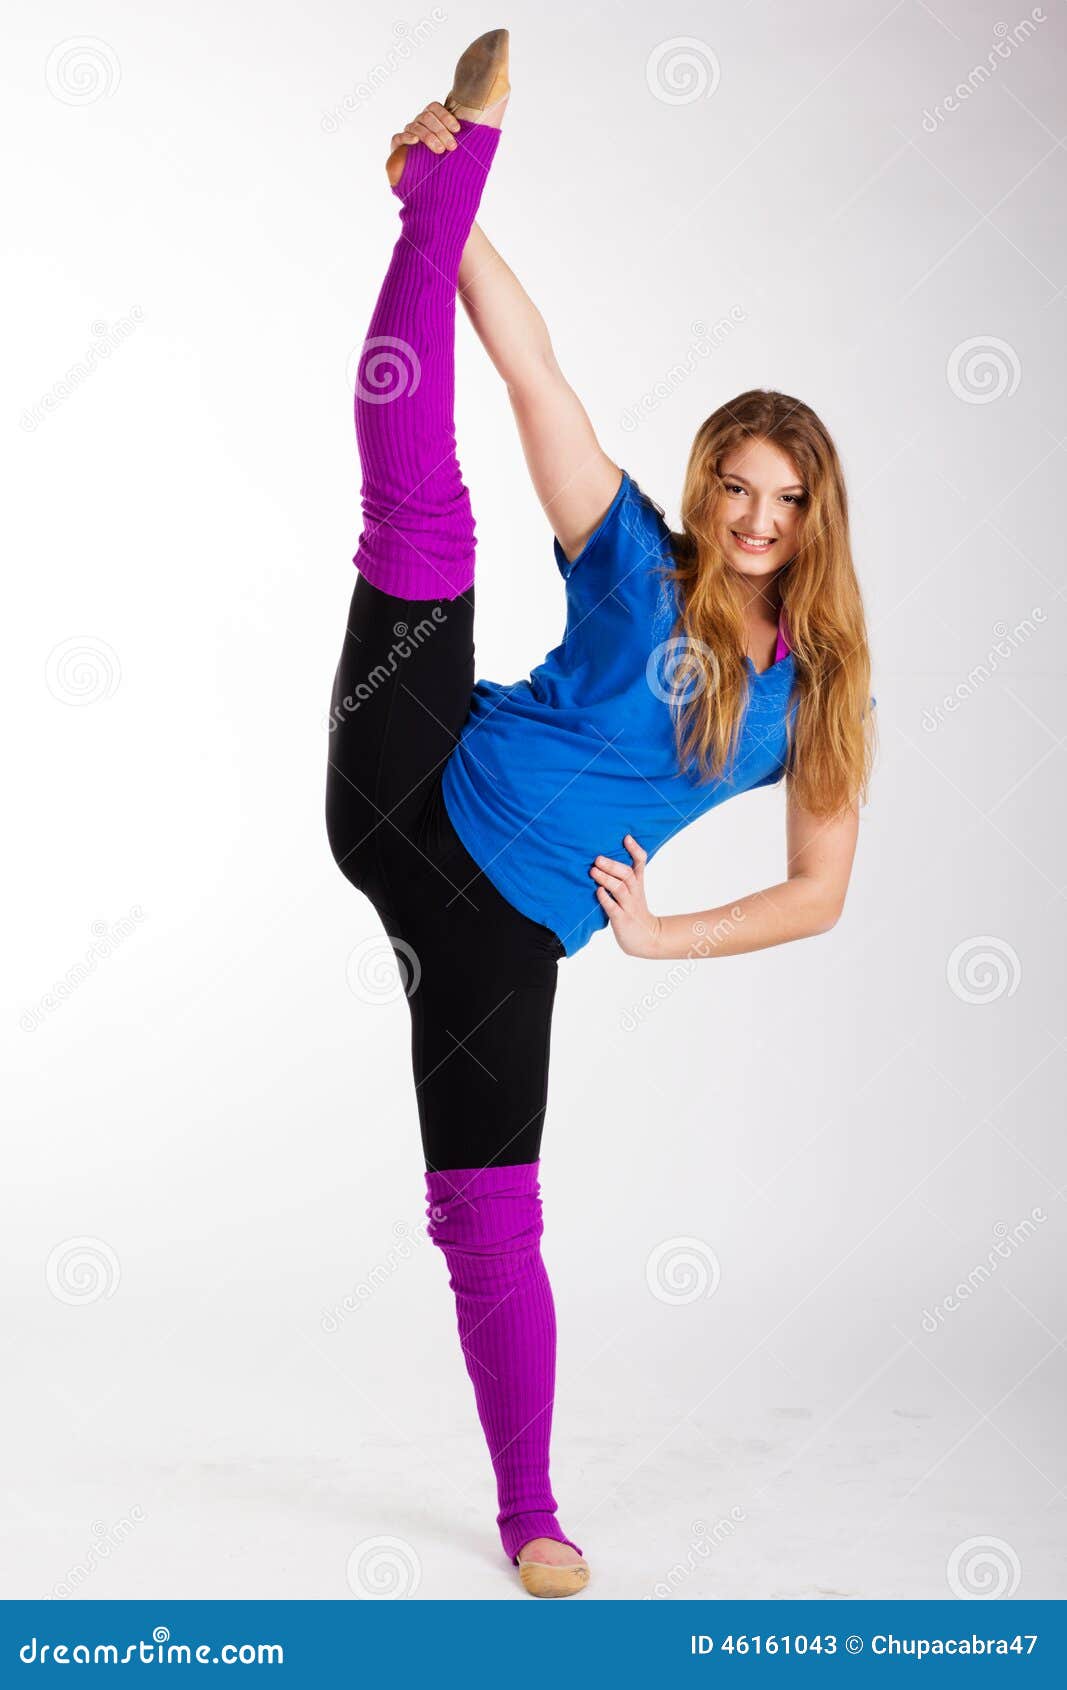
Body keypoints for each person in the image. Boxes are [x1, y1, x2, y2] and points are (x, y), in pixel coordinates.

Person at [325, 29, 874, 1598]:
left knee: (486, 1218)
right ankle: (448, 183)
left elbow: (820, 889)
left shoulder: (819, 697)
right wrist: (452, 218)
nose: (756, 518)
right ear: (708, 488)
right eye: (738, 487)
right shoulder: (637, 553)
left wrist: (664, 933)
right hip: (412, 783)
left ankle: (531, 1516)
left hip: (509, 936)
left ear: (815, 518)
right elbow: (534, 371)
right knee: (422, 515)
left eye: (786, 500)